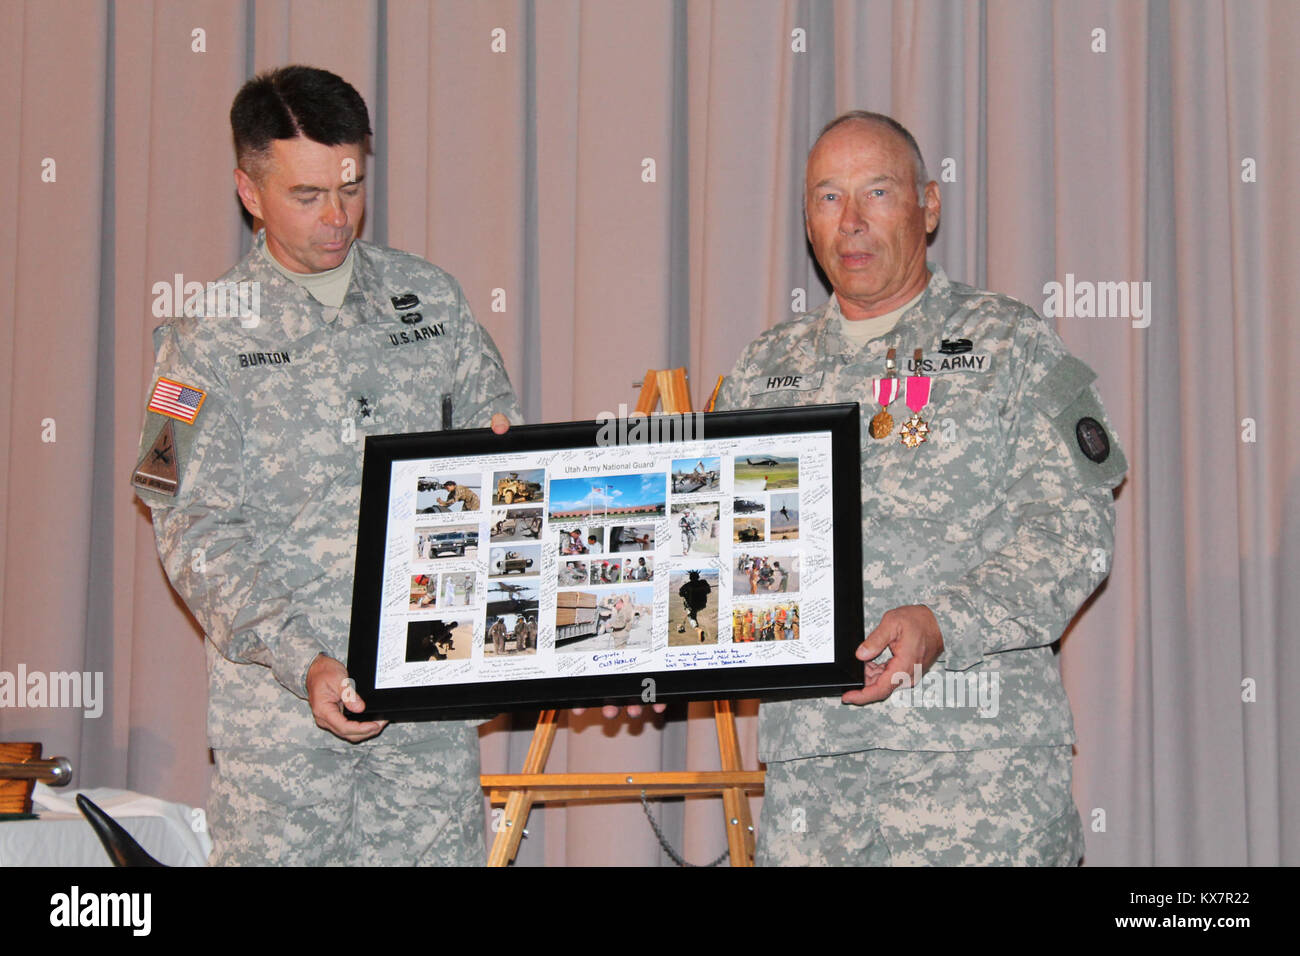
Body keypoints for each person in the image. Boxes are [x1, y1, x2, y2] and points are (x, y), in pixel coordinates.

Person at [131, 66, 522, 866]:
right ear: (249, 190)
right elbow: (190, 527)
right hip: (280, 732)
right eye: (307, 195)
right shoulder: (199, 339)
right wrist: (300, 658)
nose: (337, 216)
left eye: (349, 186)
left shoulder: (430, 302)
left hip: (425, 717)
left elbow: (504, 464)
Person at [714, 111, 1126, 865]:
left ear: (928, 206)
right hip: (816, 793)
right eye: (828, 198)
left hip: (978, 783)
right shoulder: (760, 372)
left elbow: (1074, 535)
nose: (853, 222)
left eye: (876, 191)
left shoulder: (1009, 343)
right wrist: (640, 657)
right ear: (807, 221)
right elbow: (715, 555)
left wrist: (945, 621)